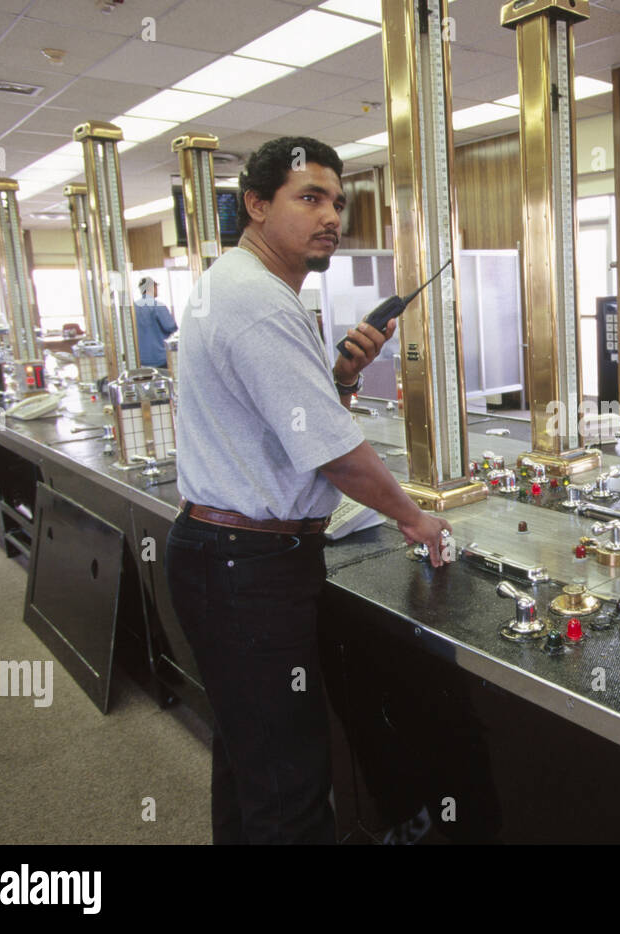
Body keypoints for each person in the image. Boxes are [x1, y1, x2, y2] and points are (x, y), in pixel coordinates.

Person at [164, 136, 452, 845]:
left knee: (249, 764)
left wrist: (346, 378)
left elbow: (297, 429)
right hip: (246, 569)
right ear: (257, 206)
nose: (330, 216)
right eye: (309, 198)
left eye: (336, 201)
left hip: (228, 558)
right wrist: (415, 518)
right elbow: (333, 455)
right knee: (290, 793)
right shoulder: (260, 302)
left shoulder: (242, 285)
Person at [133, 276, 178, 367]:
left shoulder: (133, 308)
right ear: (151, 287)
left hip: (140, 360)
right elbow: (171, 326)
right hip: (159, 359)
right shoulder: (158, 306)